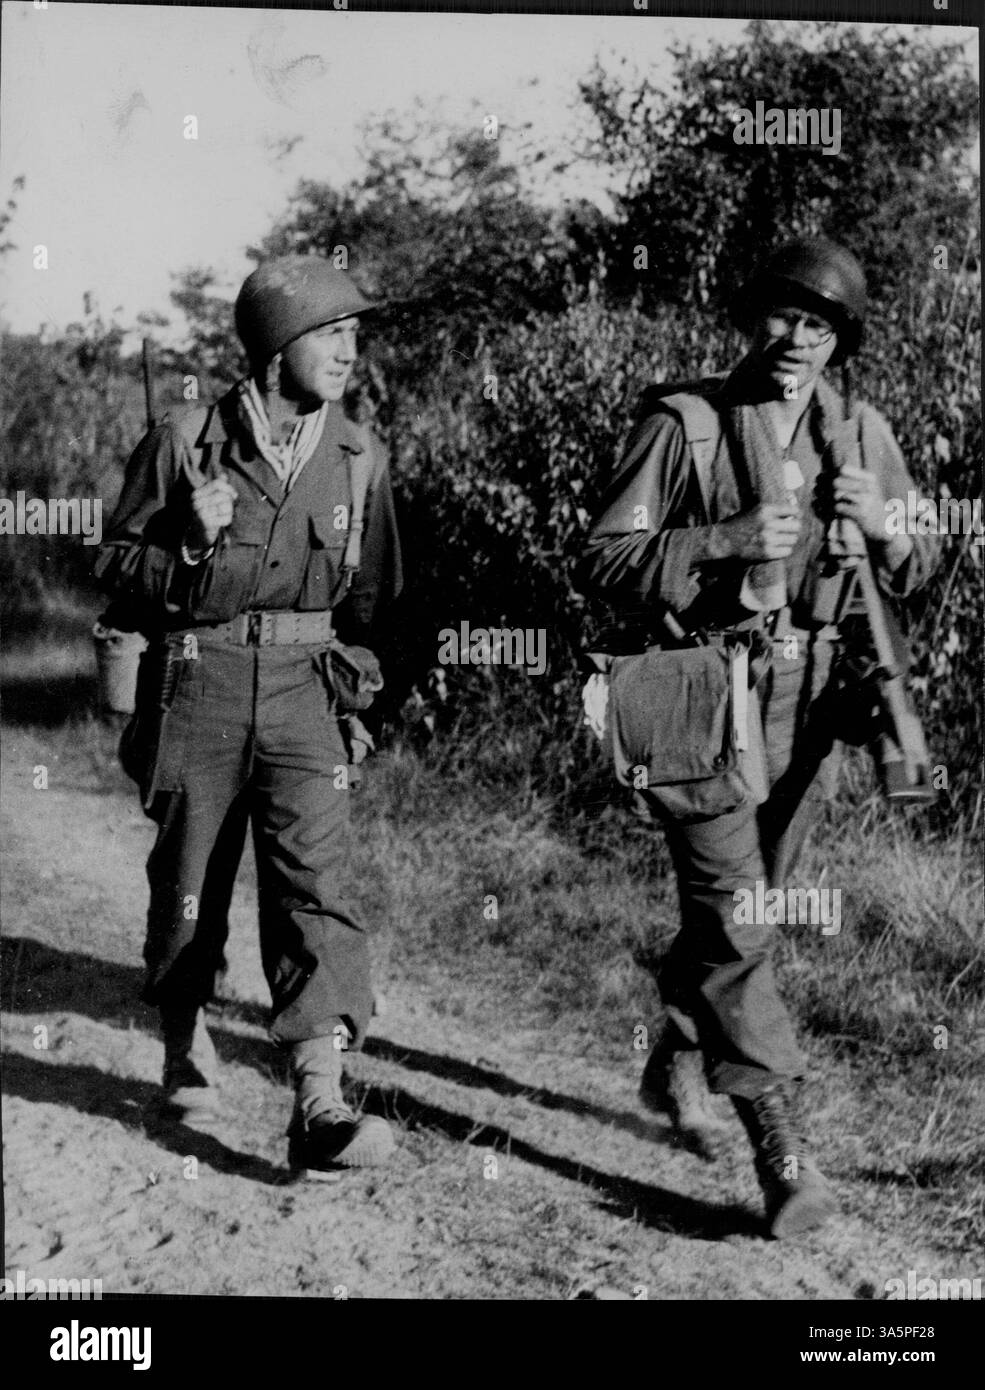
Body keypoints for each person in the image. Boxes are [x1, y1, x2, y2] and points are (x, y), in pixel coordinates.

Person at [576, 237, 937, 1237]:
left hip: (811, 706)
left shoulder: (859, 431)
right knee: (739, 919)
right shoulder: (683, 424)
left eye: (818, 325)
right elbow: (605, 557)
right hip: (706, 698)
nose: (796, 339)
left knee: (749, 906)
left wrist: (894, 531)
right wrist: (722, 541)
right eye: (781, 316)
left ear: (838, 341)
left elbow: (916, 562)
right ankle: (783, 1156)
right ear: (750, 320)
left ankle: (675, 1056)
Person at [95, 256, 402, 1175]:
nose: (350, 351)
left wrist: (359, 699)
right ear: (277, 345)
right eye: (331, 334)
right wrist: (183, 545)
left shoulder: (357, 454)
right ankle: (184, 1030)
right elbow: (114, 565)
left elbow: (379, 601)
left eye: (355, 333)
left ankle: (319, 1097)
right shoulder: (185, 439)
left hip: (309, 684)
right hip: (203, 674)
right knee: (190, 880)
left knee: (317, 885)